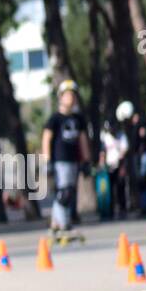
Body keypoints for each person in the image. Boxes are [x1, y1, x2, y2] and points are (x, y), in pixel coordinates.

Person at [41, 80, 91, 238]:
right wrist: (47, 161)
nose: (71, 98)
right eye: (68, 94)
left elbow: (83, 140)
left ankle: (56, 223)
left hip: (74, 160)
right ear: (61, 97)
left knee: (69, 192)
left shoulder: (78, 118)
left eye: (74, 95)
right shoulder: (55, 118)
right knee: (64, 192)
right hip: (59, 160)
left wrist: (86, 160)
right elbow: (46, 139)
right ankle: (64, 224)